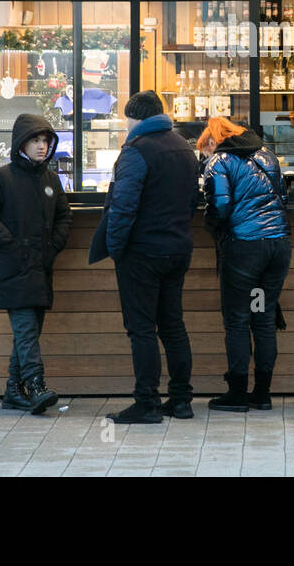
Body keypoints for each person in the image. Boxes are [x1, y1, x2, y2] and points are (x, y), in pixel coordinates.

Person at [100, 91, 201, 424]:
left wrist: (116, 248)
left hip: (142, 252)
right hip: (178, 248)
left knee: (141, 329)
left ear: (135, 118)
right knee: (173, 326)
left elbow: (123, 206)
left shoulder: (136, 150)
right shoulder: (185, 147)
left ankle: (147, 403)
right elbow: (191, 202)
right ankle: (182, 400)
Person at [0, 113, 71, 414]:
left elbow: (64, 216)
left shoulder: (51, 179)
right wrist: (9, 243)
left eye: (46, 141)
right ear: (21, 144)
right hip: (14, 268)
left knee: (29, 332)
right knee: (26, 331)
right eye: (35, 140)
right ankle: (36, 386)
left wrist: (54, 245)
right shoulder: (2, 177)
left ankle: (14, 391)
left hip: (41, 267)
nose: (42, 146)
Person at [198, 116, 291, 412]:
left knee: (238, 320)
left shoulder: (219, 161)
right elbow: (282, 196)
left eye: (204, 151)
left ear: (213, 141)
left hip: (244, 251)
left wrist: (210, 225)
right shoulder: (267, 154)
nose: (205, 156)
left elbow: (220, 207)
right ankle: (262, 393)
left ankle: (237, 393)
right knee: (261, 316)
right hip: (276, 248)